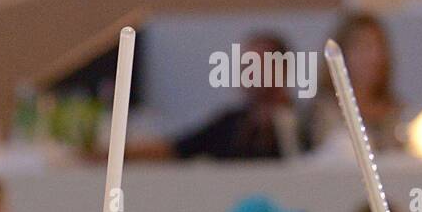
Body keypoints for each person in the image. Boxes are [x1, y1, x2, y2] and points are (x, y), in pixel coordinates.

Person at [128, 33, 312, 162]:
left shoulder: (308, 122)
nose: (249, 76)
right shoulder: (231, 123)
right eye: (244, 67)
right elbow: (176, 149)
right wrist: (117, 154)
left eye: (258, 67)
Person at [307, 14, 404, 154]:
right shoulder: (325, 112)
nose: (373, 57)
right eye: (364, 47)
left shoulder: (398, 111)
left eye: (378, 47)